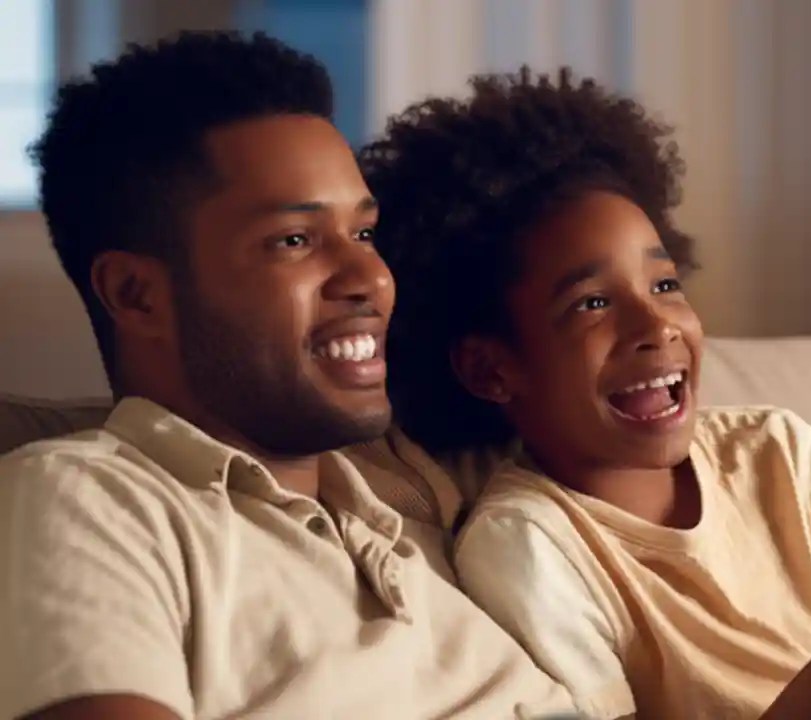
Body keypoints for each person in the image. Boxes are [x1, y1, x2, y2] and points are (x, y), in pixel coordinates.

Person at [361, 68, 811, 719]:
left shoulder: (780, 453)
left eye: (664, 285)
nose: (655, 325)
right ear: (490, 369)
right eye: (593, 302)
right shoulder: (529, 546)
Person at [0, 33, 576, 720]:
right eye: (294, 241)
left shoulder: (411, 510)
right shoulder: (91, 499)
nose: (371, 277)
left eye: (363, 234)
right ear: (136, 295)